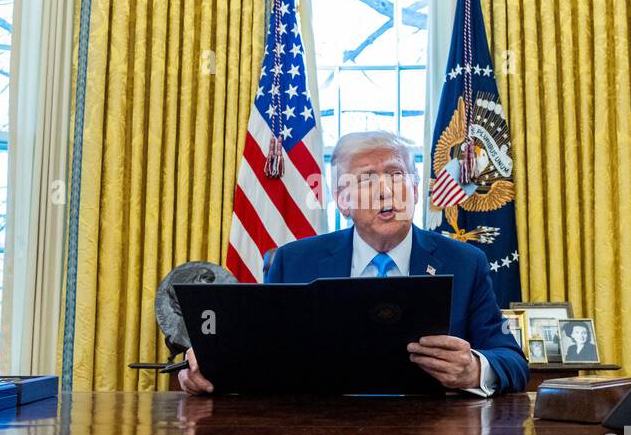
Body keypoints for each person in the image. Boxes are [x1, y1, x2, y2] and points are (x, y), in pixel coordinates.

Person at [180, 130, 527, 395]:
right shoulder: (293, 261)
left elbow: (511, 360)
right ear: (343, 201)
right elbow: (262, 355)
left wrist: (474, 370)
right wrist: (209, 364)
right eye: (365, 180)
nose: (385, 192)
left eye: (395, 175)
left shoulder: (466, 262)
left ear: (416, 189)